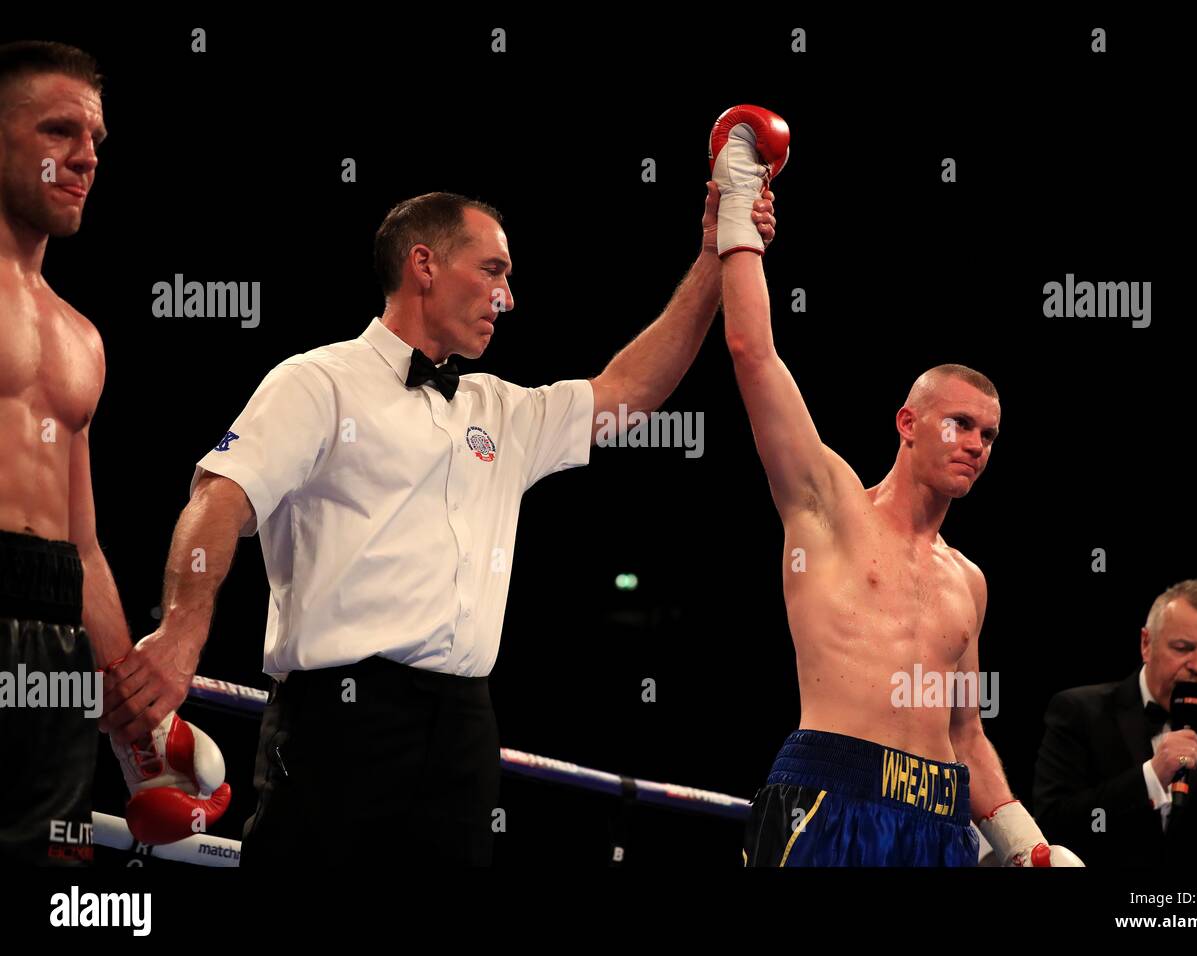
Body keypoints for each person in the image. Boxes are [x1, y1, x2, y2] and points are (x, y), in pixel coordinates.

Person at [98, 183, 776, 866]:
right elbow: (221, 497)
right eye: (491, 271)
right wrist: (183, 631)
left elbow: (632, 390)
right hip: (339, 722)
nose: (506, 296)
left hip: (464, 729)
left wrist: (718, 253)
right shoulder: (318, 382)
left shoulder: (501, 410)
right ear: (424, 264)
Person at [713, 104, 1078, 867]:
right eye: (959, 424)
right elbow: (754, 354)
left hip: (940, 826)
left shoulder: (967, 580)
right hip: (831, 797)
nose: (975, 445)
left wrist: (1026, 846)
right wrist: (739, 199)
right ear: (907, 423)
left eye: (988, 435)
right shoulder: (831, 507)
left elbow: (964, 735)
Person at [0, 40, 228, 864]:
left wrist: (142, 725)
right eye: (59, 130)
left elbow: (83, 545)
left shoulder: (81, 338)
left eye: (95, 139)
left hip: (54, 623)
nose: (87, 157)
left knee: (59, 872)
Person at [1034, 579, 1197, 866]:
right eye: (1183, 648)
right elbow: (1052, 823)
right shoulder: (1079, 711)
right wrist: (1151, 776)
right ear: (1146, 644)